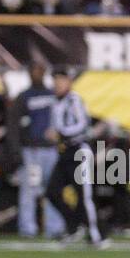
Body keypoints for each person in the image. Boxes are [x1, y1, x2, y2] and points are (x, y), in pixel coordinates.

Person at [43, 67, 105, 247]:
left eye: (61, 80)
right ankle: (74, 226)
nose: (57, 84)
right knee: (52, 192)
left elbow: (82, 125)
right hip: (64, 152)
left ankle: (97, 234)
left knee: (84, 195)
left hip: (79, 151)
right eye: (55, 80)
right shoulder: (55, 102)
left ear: (69, 82)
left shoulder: (74, 100)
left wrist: (61, 133)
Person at [8, 63, 67, 238]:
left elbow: (64, 119)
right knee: (29, 190)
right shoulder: (24, 97)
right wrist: (16, 150)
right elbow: (13, 125)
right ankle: (28, 228)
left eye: (40, 71)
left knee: (53, 189)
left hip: (51, 150)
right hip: (31, 151)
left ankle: (54, 227)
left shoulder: (53, 94)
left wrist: (61, 138)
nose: (37, 74)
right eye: (34, 71)